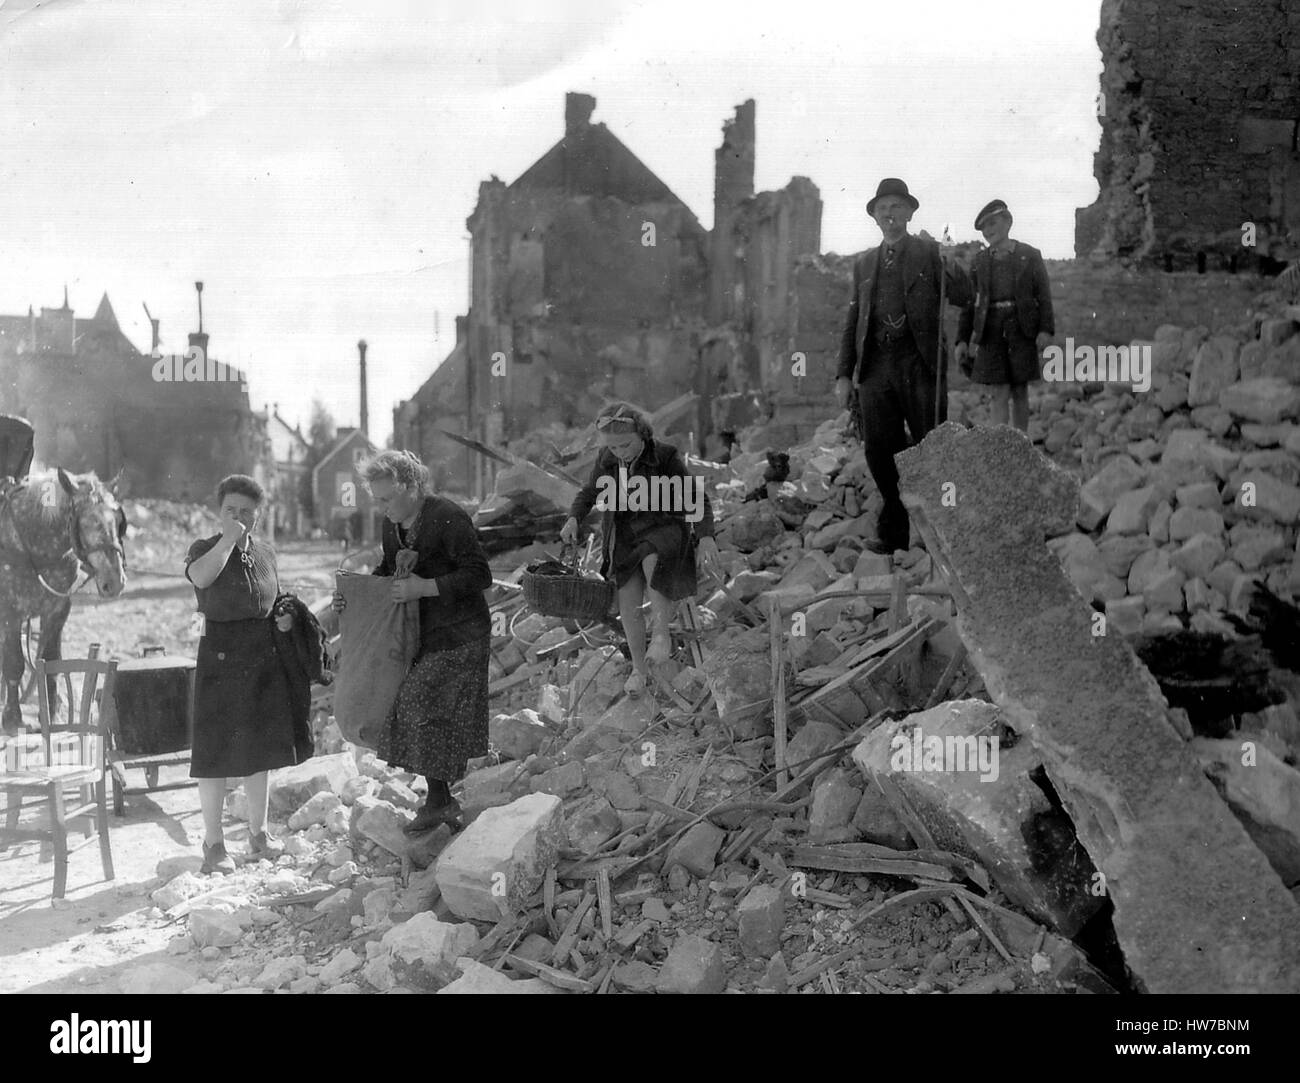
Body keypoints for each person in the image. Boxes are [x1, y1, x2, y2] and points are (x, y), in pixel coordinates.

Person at [332, 450, 491, 835]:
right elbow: (388, 572)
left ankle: (440, 801)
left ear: (412, 487)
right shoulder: (394, 526)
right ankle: (439, 800)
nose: (382, 508)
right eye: (377, 500)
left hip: (461, 632)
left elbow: (479, 574)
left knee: (418, 701)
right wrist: (354, 598)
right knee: (415, 709)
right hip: (421, 634)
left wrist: (425, 587)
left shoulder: (448, 517)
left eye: (387, 499)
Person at [834, 178, 972, 555]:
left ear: (910, 213)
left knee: (933, 445)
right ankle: (894, 530)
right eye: (883, 209)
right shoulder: (863, 263)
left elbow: (964, 294)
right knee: (880, 450)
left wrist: (949, 259)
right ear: (875, 217)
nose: (890, 214)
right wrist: (844, 373)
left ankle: (944, 530)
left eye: (896, 207)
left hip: (919, 361)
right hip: (877, 366)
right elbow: (853, 321)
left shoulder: (929, 252)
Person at [560, 402, 722, 697]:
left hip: (664, 528)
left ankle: (661, 636)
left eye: (626, 445)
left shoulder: (665, 457)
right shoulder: (607, 458)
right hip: (624, 535)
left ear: (643, 435)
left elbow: (696, 498)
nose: (620, 452)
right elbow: (589, 493)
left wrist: (707, 536)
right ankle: (639, 669)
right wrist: (573, 518)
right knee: (627, 598)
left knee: (651, 555)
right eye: (614, 447)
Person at [184, 475, 299, 875]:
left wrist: (285, 618)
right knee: (215, 752)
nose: (238, 517)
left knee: (260, 752)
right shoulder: (205, 549)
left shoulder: (266, 553)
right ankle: (213, 844)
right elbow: (201, 579)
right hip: (220, 656)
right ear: (219, 512)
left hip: (261, 659)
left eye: (246, 512)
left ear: (258, 516)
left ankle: (259, 834)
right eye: (231, 510)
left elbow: (275, 596)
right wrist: (228, 540)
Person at [956, 199, 1056, 432]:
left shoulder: (1029, 255)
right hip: (990, 331)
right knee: (998, 391)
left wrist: (1045, 330)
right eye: (984, 228)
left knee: (1020, 389)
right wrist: (961, 339)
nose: (989, 231)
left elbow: (1044, 296)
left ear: (1008, 222)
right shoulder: (979, 262)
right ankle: (999, 447)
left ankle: (1022, 444)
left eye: (993, 223)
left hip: (1022, 328)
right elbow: (970, 304)